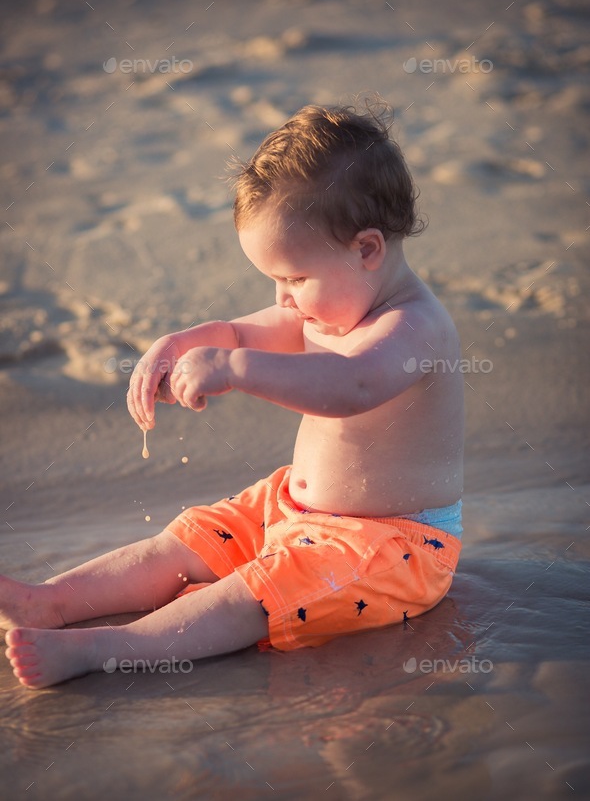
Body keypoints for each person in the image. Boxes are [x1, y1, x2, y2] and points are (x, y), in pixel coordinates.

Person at [3, 101, 464, 689]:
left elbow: (354, 386)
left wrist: (237, 369)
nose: (284, 298)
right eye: (273, 280)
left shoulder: (414, 327)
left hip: (394, 549)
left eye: (294, 278)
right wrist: (182, 343)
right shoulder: (329, 302)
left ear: (367, 249)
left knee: (255, 594)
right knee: (188, 539)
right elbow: (242, 332)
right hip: (294, 509)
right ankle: (52, 603)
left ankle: (109, 648)